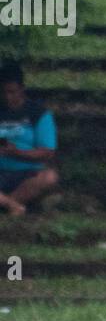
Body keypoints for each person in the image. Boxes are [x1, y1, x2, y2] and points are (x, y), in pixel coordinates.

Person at [0, 61, 60, 216]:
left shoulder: (38, 114)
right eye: (3, 92)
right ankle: (11, 205)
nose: (7, 97)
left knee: (49, 177)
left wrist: (16, 153)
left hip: (28, 173)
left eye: (12, 92)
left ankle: (6, 203)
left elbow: (47, 152)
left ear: (22, 89)